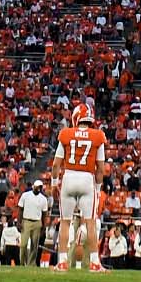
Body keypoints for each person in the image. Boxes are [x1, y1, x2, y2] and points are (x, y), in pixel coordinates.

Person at [48, 99, 110, 272]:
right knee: (90, 222)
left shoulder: (66, 133)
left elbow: (55, 165)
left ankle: (61, 262)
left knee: (65, 222)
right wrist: (97, 190)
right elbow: (100, 169)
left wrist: (54, 183)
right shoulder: (98, 135)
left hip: (69, 177)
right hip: (87, 179)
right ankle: (95, 262)